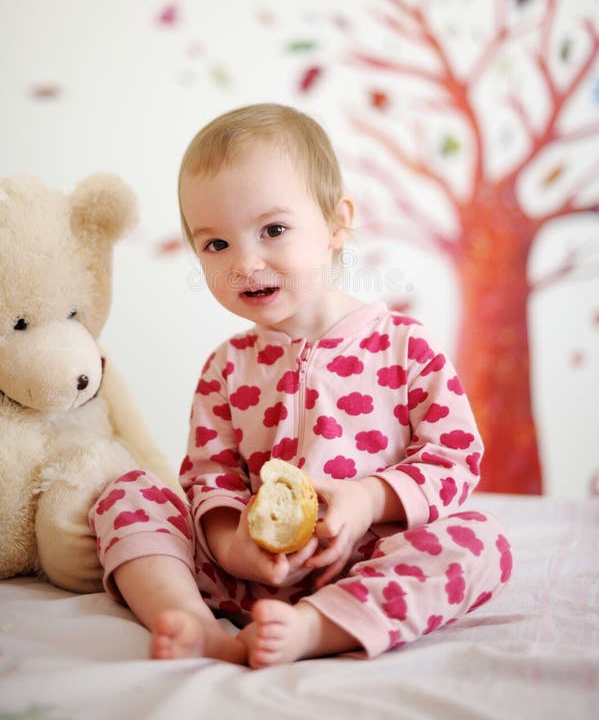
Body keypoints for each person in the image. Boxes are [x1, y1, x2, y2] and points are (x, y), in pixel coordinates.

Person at [90, 102, 512, 669]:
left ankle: (315, 628)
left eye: (274, 230)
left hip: (363, 561)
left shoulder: (405, 347)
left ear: (337, 223)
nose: (245, 261)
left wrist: (368, 500)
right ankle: (192, 623)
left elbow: (454, 459)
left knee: (482, 543)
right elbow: (209, 476)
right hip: (243, 575)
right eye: (216, 245)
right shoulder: (227, 365)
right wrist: (230, 545)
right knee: (128, 491)